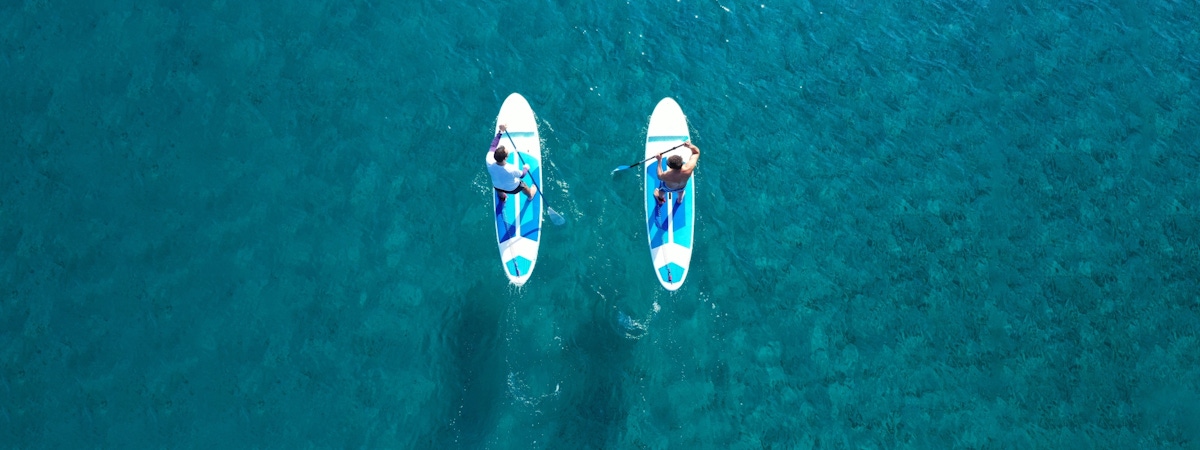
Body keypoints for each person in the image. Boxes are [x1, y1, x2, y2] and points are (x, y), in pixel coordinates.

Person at [486, 124, 537, 202]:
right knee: (524, 186)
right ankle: (530, 195)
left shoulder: (489, 160)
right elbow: (522, 175)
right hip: (512, 188)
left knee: (499, 189)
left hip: (497, 186)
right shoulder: (511, 169)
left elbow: (493, 145)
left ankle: (503, 198)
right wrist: (526, 168)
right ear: (505, 158)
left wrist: (500, 132)